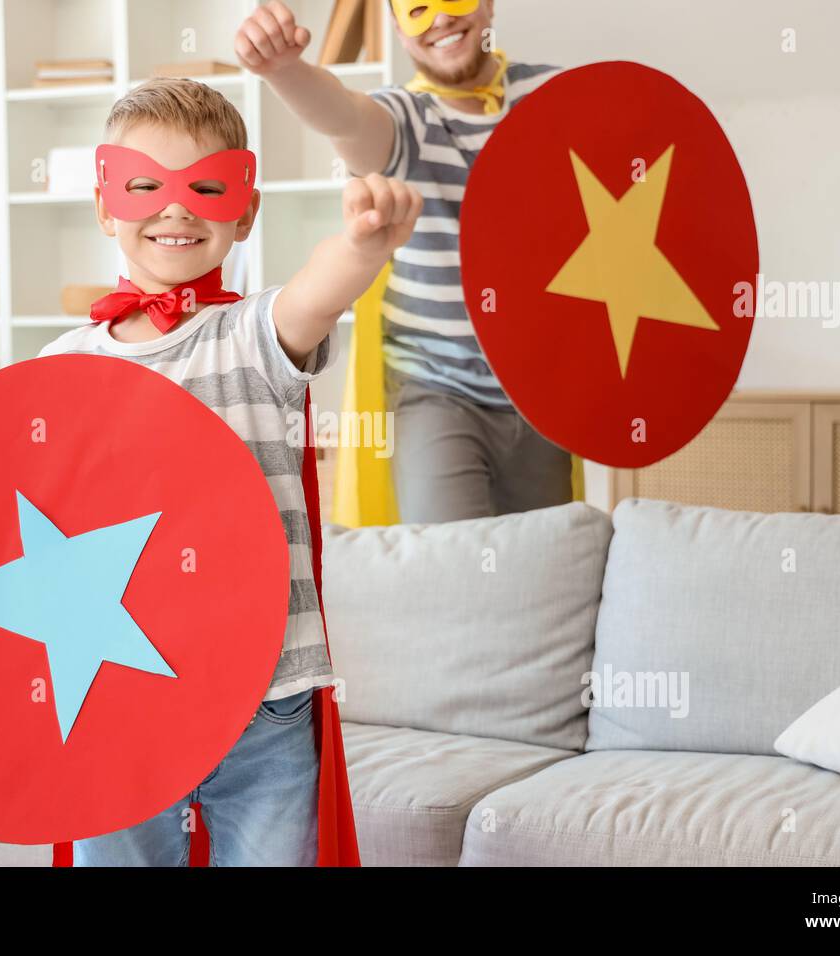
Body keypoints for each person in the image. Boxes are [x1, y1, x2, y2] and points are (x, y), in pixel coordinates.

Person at [39, 78, 421, 865]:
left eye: (206, 189)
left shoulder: (254, 336)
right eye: (145, 187)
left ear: (244, 212)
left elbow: (318, 294)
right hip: (119, 690)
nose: (176, 211)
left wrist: (362, 245)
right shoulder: (63, 364)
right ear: (106, 207)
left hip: (264, 696)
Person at [235, 0, 573, 523]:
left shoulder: (554, 97)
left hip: (541, 389)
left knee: (546, 553)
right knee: (449, 555)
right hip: (436, 386)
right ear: (397, 28)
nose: (441, 19)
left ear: (487, 5)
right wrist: (285, 70)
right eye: (417, 7)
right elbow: (347, 118)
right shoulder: (407, 117)